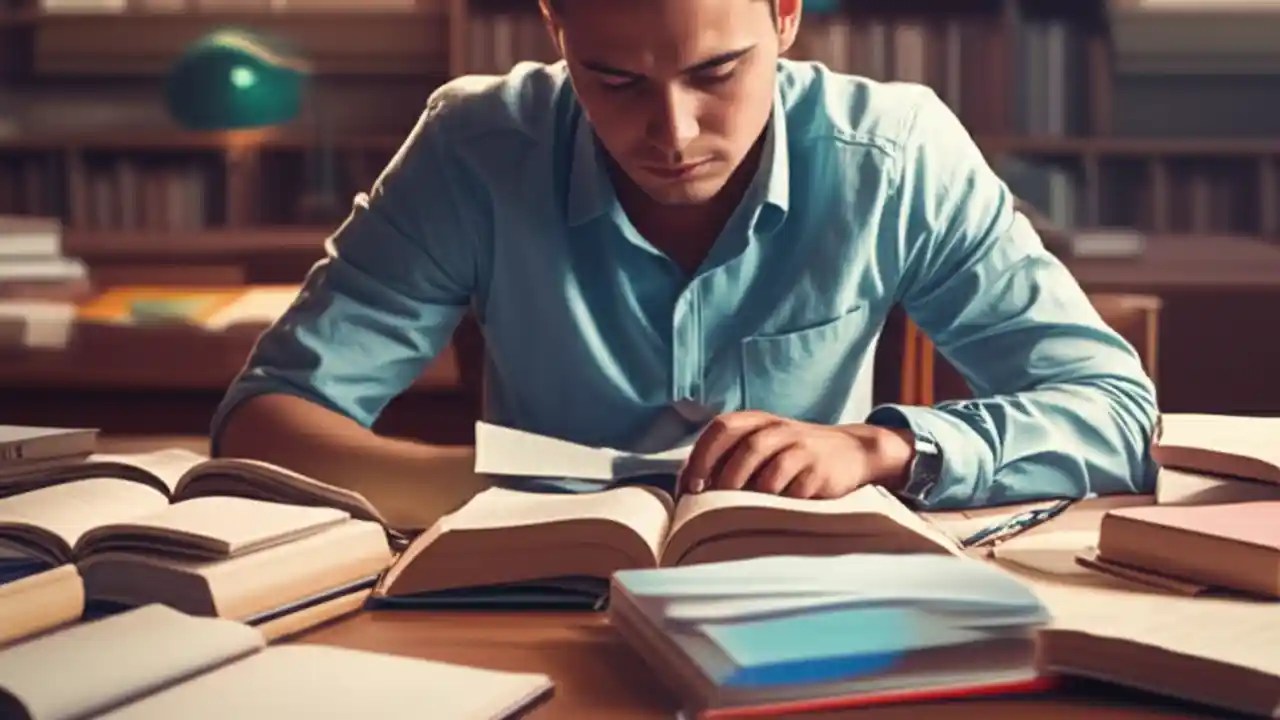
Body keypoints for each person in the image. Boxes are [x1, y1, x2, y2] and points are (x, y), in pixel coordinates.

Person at [213, 0, 1159, 513]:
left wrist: (884, 447)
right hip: (533, 603)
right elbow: (266, 423)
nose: (671, 133)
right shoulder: (472, 146)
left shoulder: (897, 153)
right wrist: (492, 489)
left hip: (803, 613)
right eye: (613, 79)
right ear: (556, 28)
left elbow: (1115, 415)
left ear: (785, 15)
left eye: (717, 73)